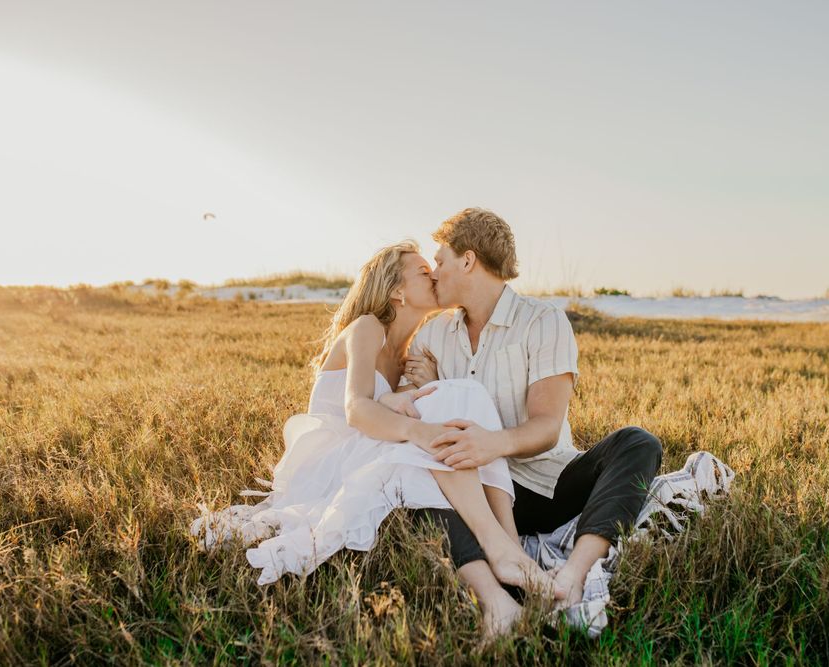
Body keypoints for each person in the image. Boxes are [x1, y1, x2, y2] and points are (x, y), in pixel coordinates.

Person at [190, 240, 560, 638]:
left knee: (447, 428)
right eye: (423, 270)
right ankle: (504, 548)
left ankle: (499, 597)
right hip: (331, 462)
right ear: (396, 290)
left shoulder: (409, 355)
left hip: (368, 453)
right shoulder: (367, 327)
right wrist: (421, 428)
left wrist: (425, 392)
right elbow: (357, 411)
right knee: (435, 434)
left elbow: (407, 412)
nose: (434, 274)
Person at [390, 208, 663, 612]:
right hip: (478, 492)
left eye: (441, 261)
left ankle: (575, 572)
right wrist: (432, 385)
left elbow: (547, 427)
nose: (434, 273)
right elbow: (406, 412)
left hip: (547, 484)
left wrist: (492, 444)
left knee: (637, 443)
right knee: (413, 487)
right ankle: (504, 588)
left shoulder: (542, 321)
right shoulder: (433, 334)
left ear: (468, 261)